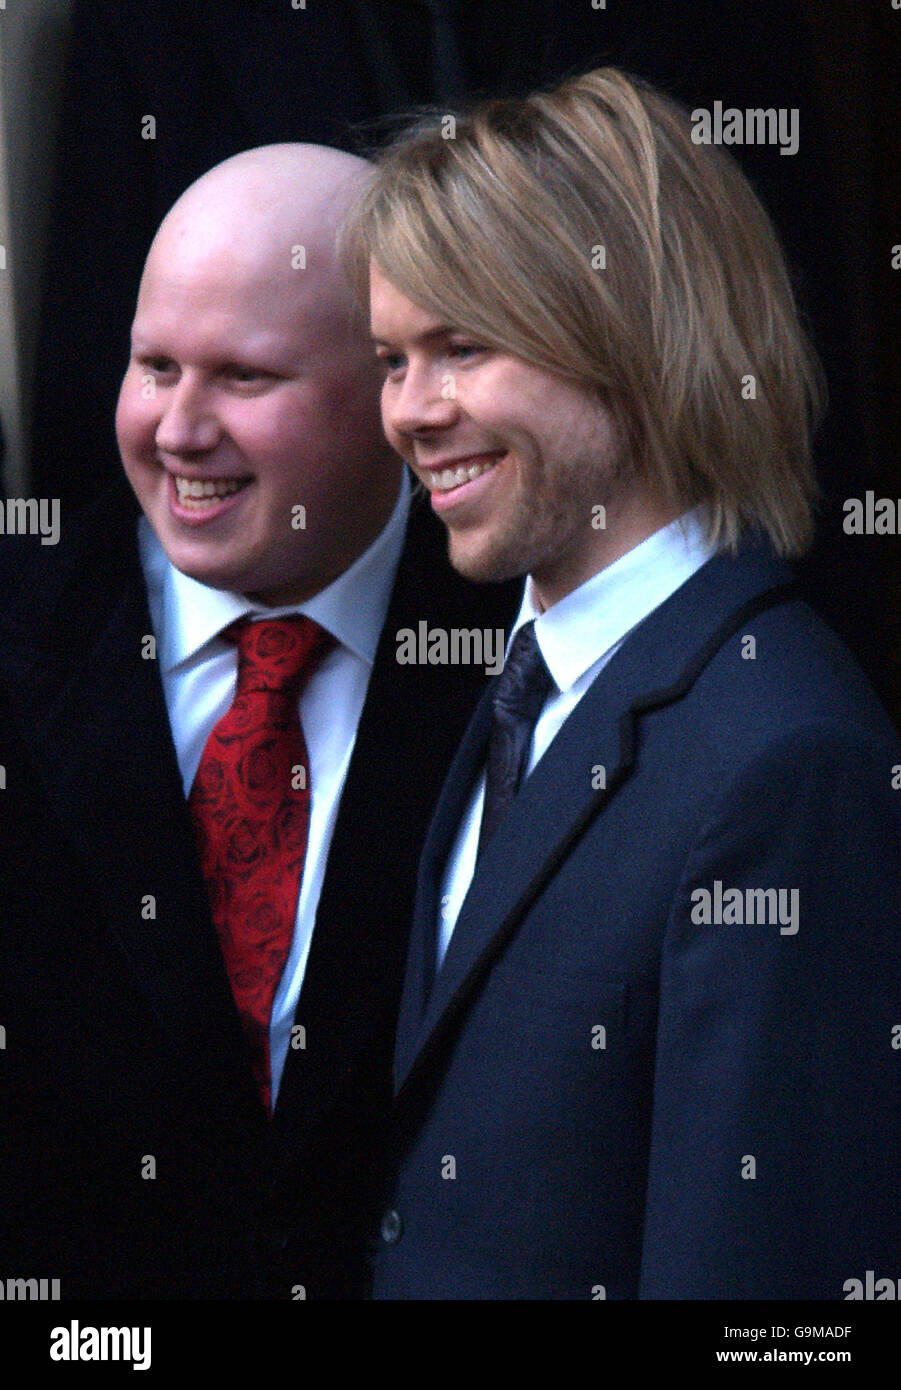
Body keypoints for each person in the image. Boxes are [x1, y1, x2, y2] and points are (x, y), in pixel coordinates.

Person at [343, 67, 901, 1299]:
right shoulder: (522, 692)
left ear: (627, 338)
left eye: (463, 347)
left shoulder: (780, 758)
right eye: (392, 358)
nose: (409, 414)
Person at [0, 143, 517, 1299]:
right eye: (154, 366)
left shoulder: (525, 649)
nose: (178, 430)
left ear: (390, 386)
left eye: (243, 377)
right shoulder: (24, 625)